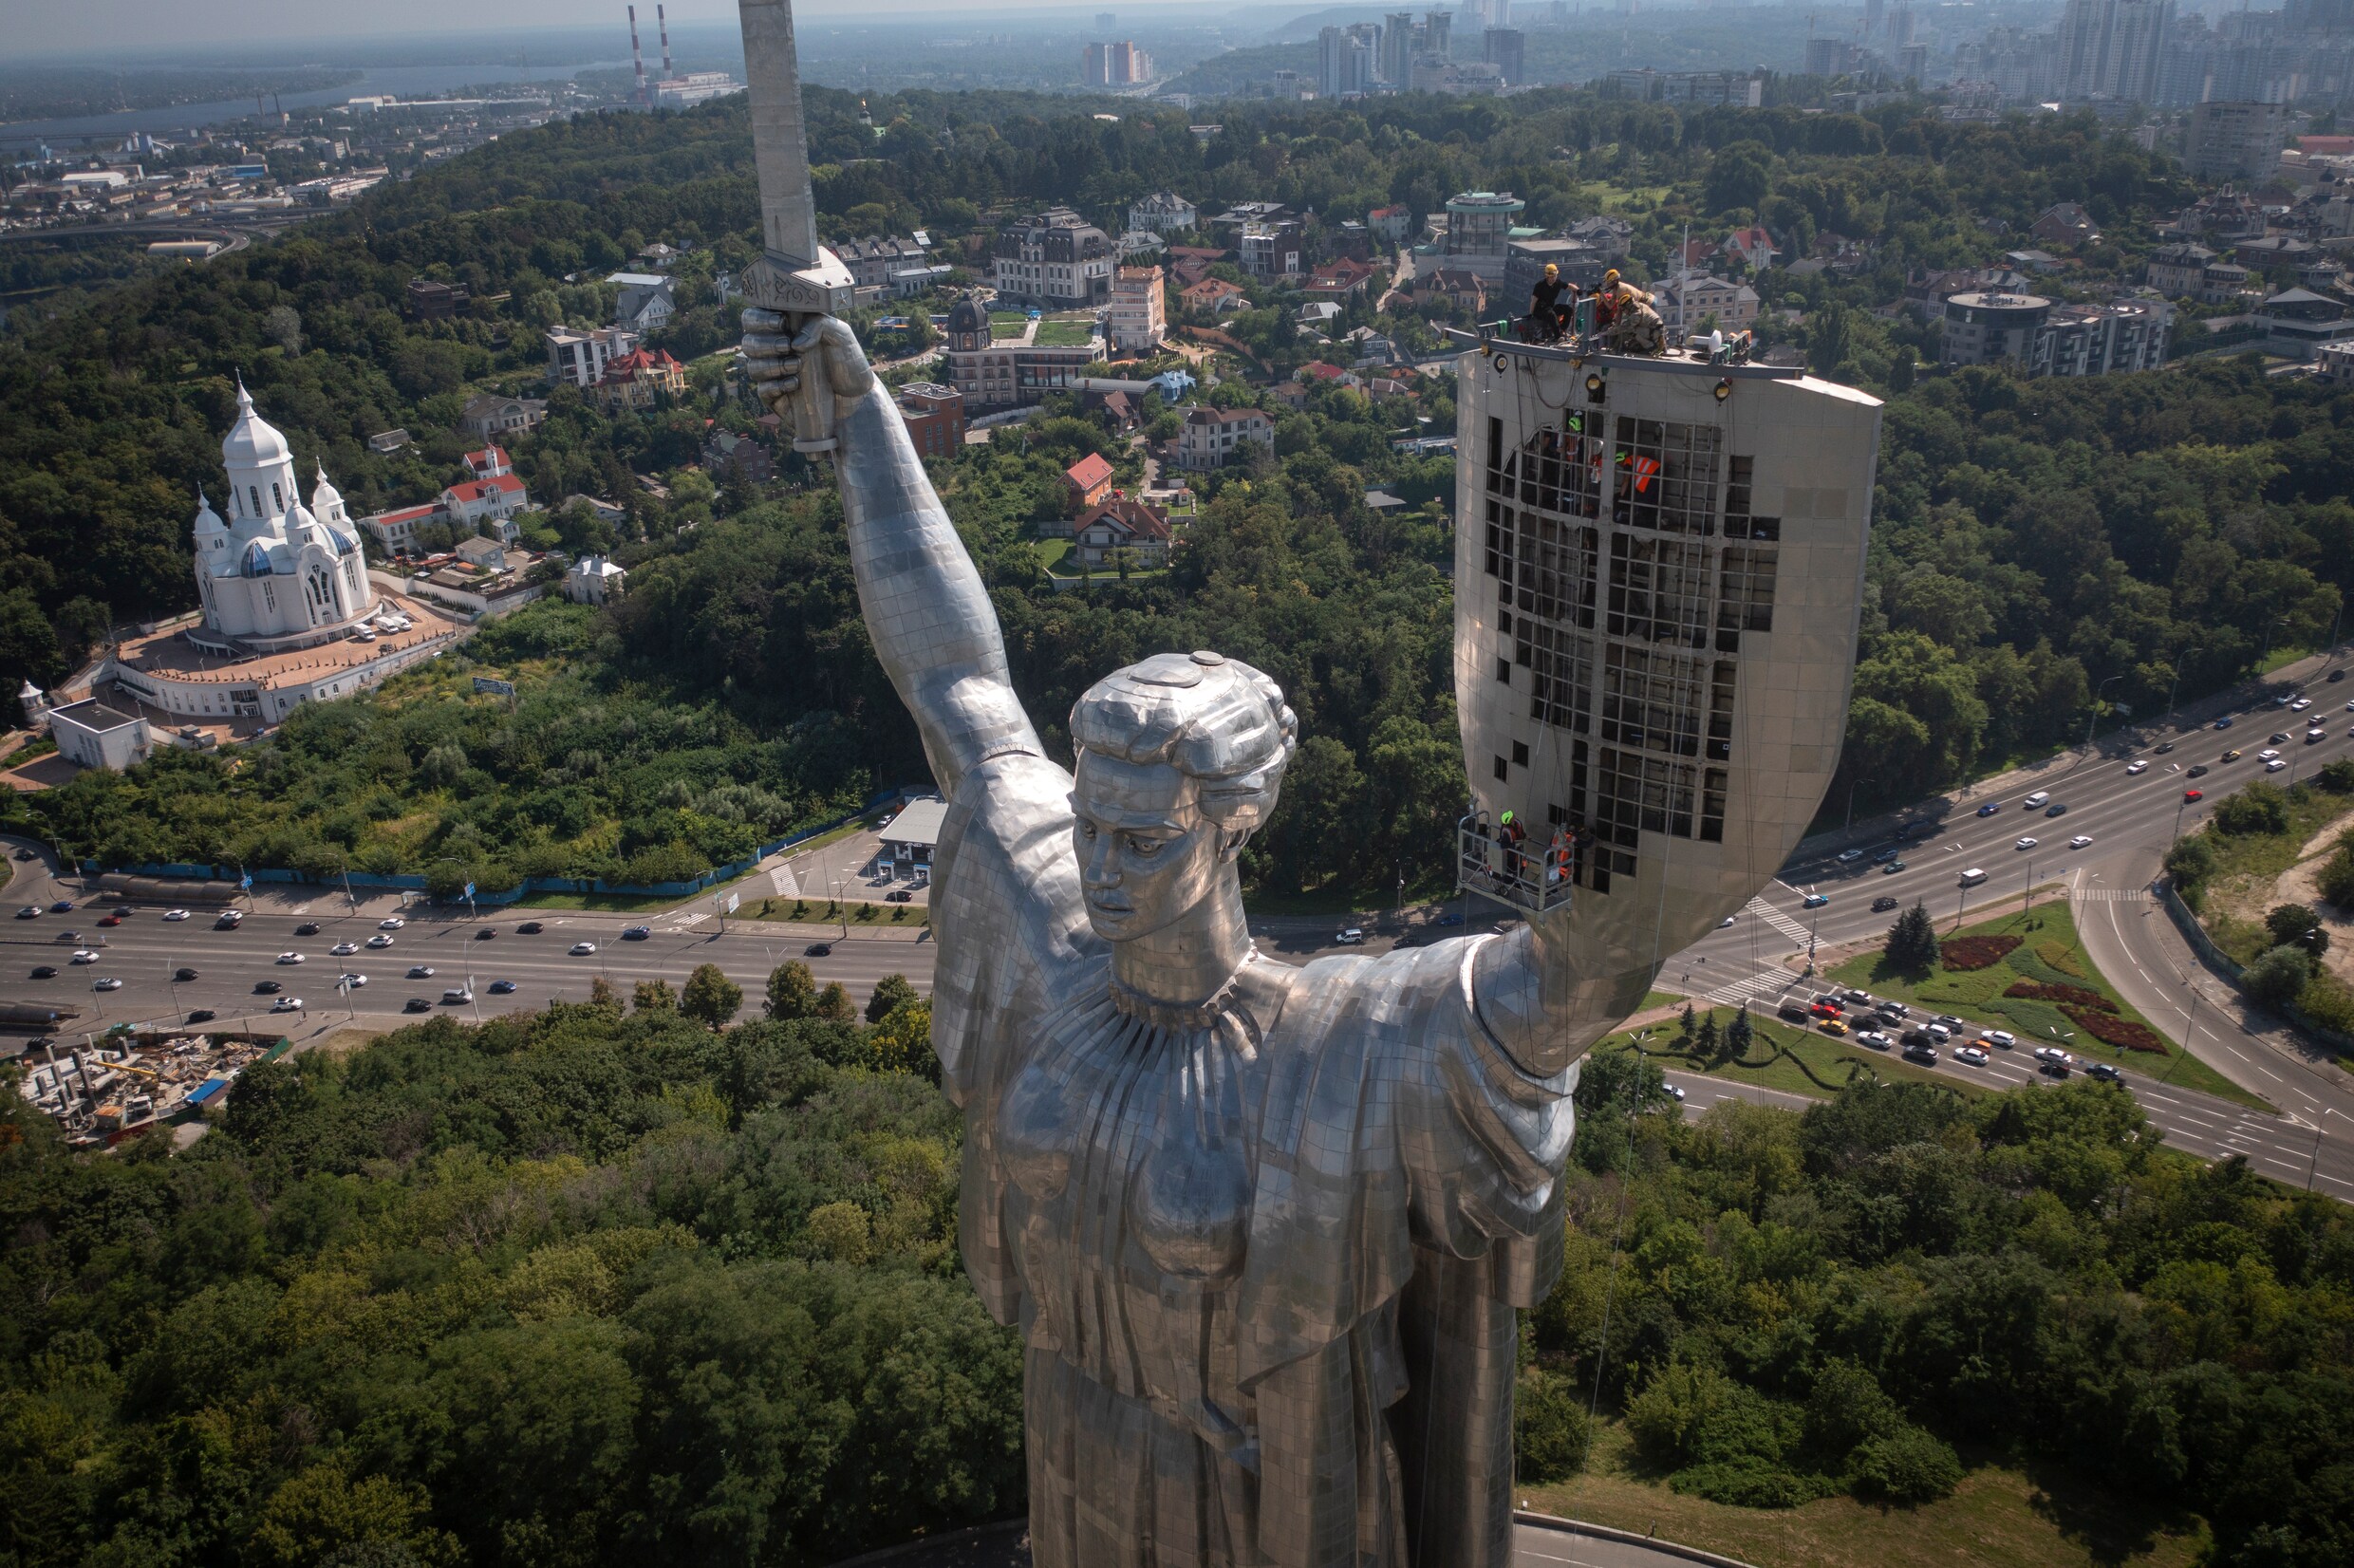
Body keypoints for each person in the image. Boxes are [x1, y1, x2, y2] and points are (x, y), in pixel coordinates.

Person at [738, 305, 1754, 1568]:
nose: (1098, 867)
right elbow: (957, 682)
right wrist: (859, 415)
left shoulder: (1340, 1049)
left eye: (1142, 840)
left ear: (1232, 828)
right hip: (1070, 1452)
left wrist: (1647, 620)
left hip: (1254, 1500)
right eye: (1089, 826)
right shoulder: (1051, 948)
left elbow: (1572, 983)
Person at [1595, 269, 1664, 356]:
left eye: (1609, 282)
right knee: (1635, 327)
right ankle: (1650, 344)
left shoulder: (1621, 291)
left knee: (1635, 328)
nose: (1607, 284)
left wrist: (1616, 328)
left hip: (1649, 303)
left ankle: (1651, 346)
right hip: (1647, 301)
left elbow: (1619, 310)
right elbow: (1611, 305)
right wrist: (1601, 293)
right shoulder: (1617, 288)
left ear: (1614, 281)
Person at [1527, 262, 1572, 343]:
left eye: (1554, 276)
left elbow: (1569, 286)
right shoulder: (1540, 285)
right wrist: (1531, 314)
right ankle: (1558, 336)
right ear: (1547, 276)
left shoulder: (1558, 283)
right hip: (1539, 310)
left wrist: (1578, 290)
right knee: (1551, 314)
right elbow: (1533, 301)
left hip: (1550, 308)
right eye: (1551, 277)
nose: (1553, 278)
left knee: (1568, 309)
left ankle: (1562, 330)